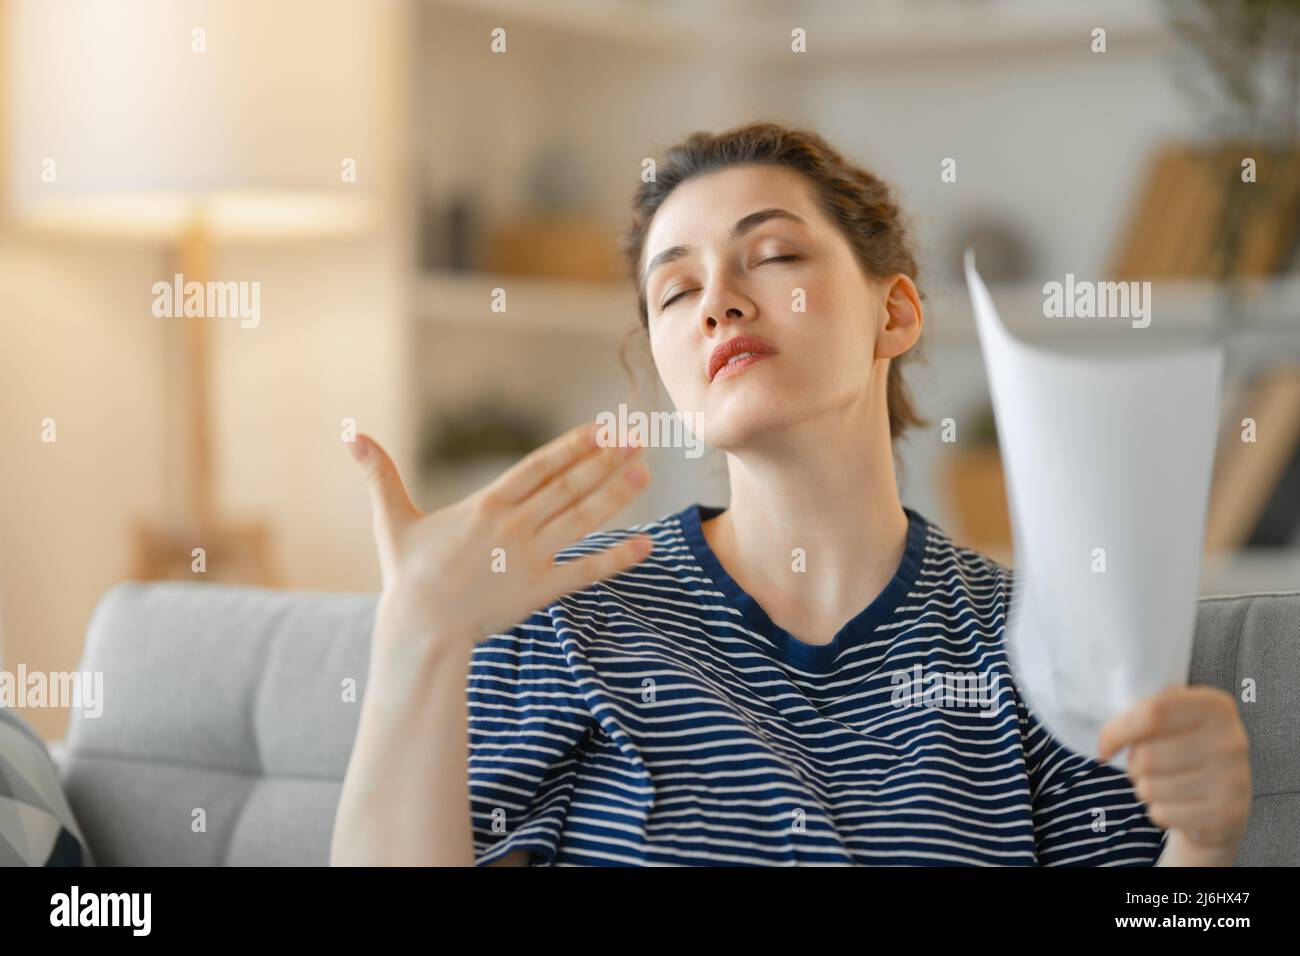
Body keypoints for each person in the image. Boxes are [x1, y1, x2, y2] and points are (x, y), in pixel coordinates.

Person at [330, 122, 1251, 867]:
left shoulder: (1037, 639)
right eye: (676, 289)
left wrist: (1203, 843)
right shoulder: (554, 615)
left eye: (770, 256)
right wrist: (416, 637)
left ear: (894, 312)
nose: (717, 302)